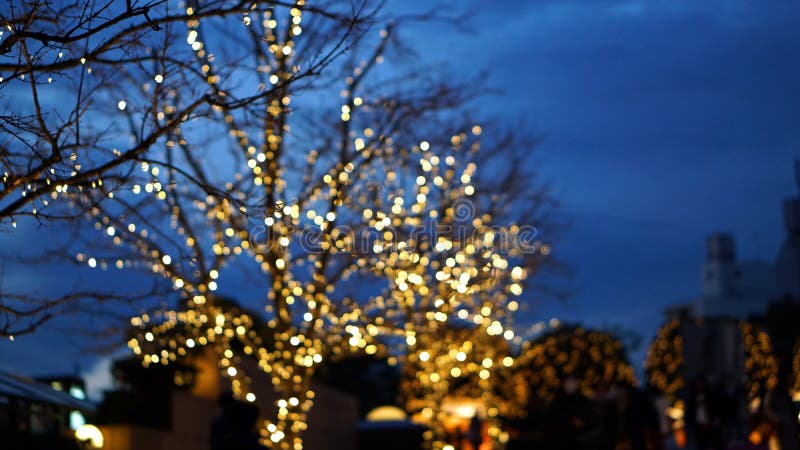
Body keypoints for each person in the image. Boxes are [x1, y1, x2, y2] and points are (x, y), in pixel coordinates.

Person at [546, 376, 600, 450]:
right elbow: (551, 423)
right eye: (567, 381)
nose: (570, 384)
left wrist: (583, 424)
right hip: (561, 441)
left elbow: (592, 419)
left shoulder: (583, 400)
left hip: (582, 439)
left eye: (572, 381)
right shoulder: (557, 402)